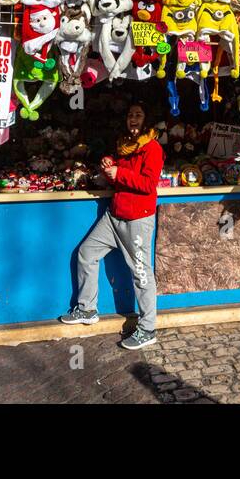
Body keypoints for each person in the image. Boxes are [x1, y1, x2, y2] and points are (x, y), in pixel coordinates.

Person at [60, 103, 164, 350]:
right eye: (130, 115)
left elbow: (149, 184)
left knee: (140, 273)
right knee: (86, 254)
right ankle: (87, 309)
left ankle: (148, 328)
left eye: (139, 114)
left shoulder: (153, 149)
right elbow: (118, 170)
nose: (133, 119)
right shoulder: (125, 146)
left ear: (147, 120)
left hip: (137, 219)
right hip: (114, 216)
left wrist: (121, 174)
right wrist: (109, 163)